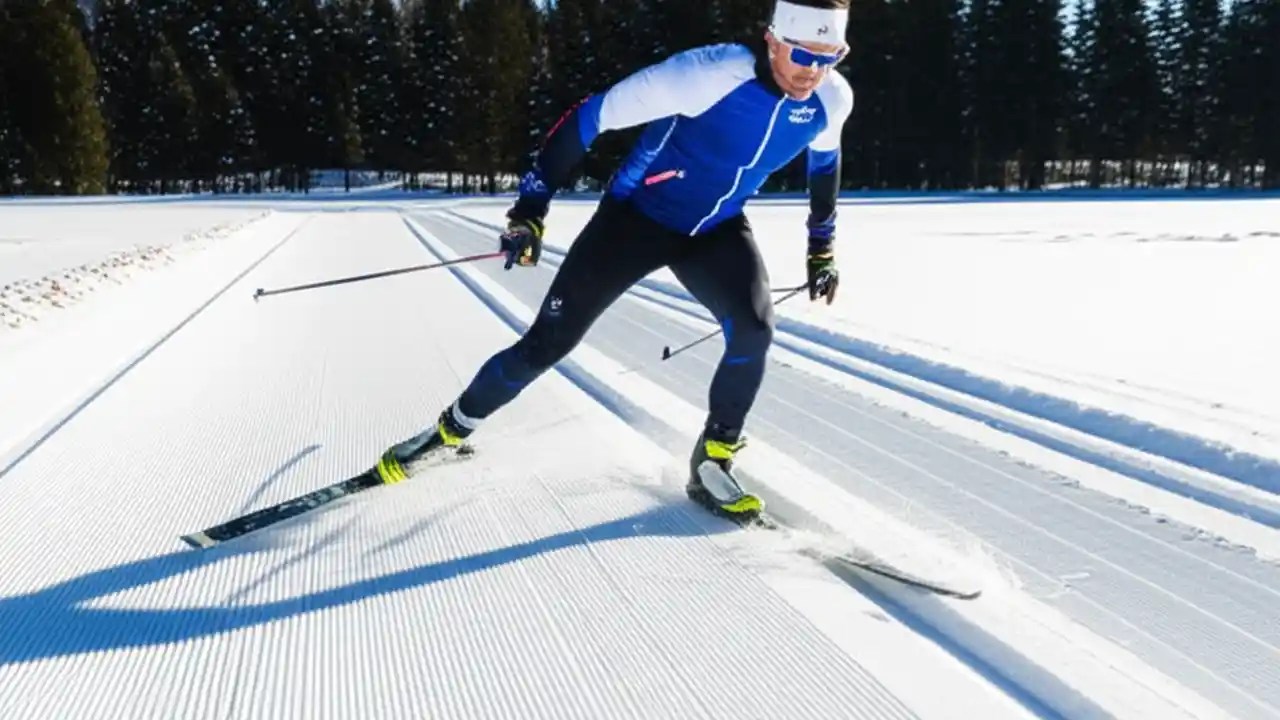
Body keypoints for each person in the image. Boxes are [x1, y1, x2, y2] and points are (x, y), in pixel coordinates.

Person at [379, 0, 853, 522]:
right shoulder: (704, 74)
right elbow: (589, 118)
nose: (815, 70)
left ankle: (713, 459)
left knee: (754, 328)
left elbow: (824, 166)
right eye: (804, 53)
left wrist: (822, 249)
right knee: (547, 343)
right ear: (772, 39)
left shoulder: (831, 98)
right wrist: (530, 210)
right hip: (635, 220)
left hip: (715, 229)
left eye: (831, 56)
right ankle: (452, 429)